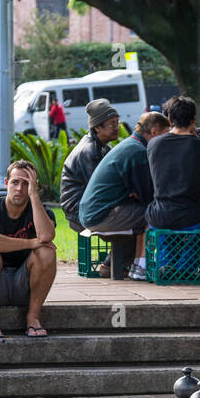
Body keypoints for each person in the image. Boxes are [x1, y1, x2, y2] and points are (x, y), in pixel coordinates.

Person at [0, 160, 57, 338]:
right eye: (15, 182)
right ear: (6, 183)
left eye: (26, 184)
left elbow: (47, 237)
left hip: (23, 287)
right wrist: (31, 243)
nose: (19, 188)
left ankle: (33, 318)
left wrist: (34, 196)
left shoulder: (42, 212)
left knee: (47, 252)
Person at [79, 110, 170, 280]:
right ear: (154, 132)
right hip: (100, 215)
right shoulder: (138, 152)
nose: (167, 140)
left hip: (94, 212)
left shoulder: (131, 145)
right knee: (152, 215)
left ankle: (111, 265)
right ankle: (140, 267)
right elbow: (148, 196)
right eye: (165, 134)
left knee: (141, 215)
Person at [146, 95, 200, 231]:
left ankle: (166, 253)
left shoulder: (154, 144)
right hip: (195, 218)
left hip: (160, 217)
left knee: (166, 246)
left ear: (169, 120)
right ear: (194, 120)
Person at [59, 99, 121, 233]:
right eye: (111, 124)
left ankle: (118, 254)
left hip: (88, 205)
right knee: (135, 216)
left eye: (117, 123)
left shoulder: (103, 147)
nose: (116, 127)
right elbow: (99, 188)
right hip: (79, 211)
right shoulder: (89, 151)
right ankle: (119, 255)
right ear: (97, 127)